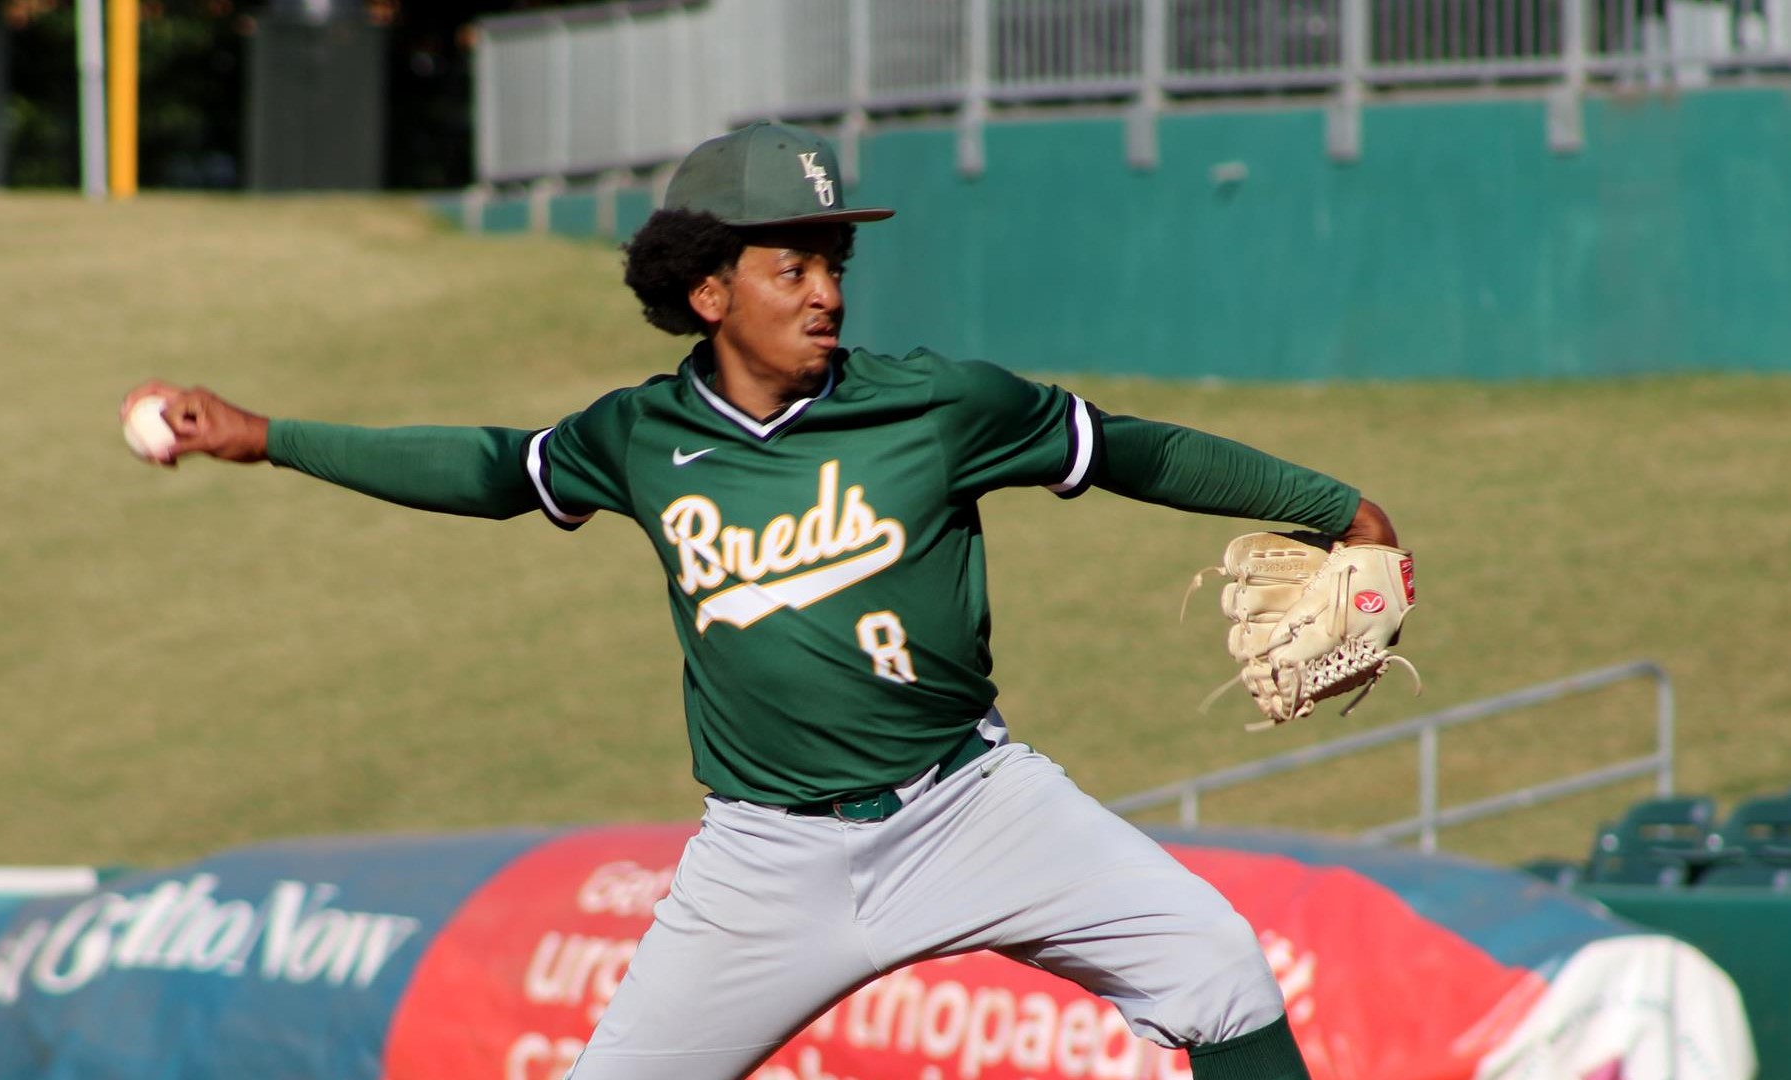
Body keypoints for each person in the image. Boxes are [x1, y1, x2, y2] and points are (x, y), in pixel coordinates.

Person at [123, 120, 1398, 1080]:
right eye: (794, 264)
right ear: (709, 288)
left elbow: (1131, 449)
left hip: (973, 806)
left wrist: (1339, 507)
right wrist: (268, 436)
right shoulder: (636, 435)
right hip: (768, 857)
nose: (829, 290)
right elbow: (488, 469)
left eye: (835, 262)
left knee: (1220, 968)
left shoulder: (936, 405)